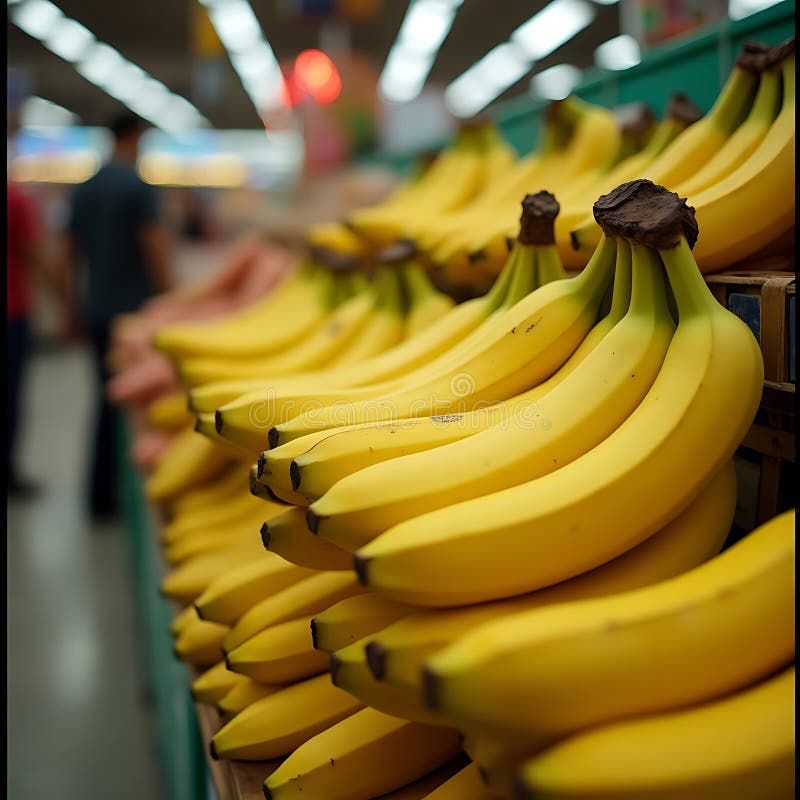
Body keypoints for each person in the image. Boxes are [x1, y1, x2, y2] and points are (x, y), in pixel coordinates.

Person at [64, 112, 174, 518]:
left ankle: (98, 492)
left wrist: (68, 306)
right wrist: (171, 301)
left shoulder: (86, 187)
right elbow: (155, 247)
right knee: (132, 406)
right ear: (134, 136)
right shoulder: (136, 187)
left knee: (104, 398)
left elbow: (68, 253)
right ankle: (120, 495)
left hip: (96, 308)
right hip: (133, 315)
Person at [7, 182, 50, 496]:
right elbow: (34, 254)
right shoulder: (16, 198)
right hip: (12, 312)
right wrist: (64, 300)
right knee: (10, 397)